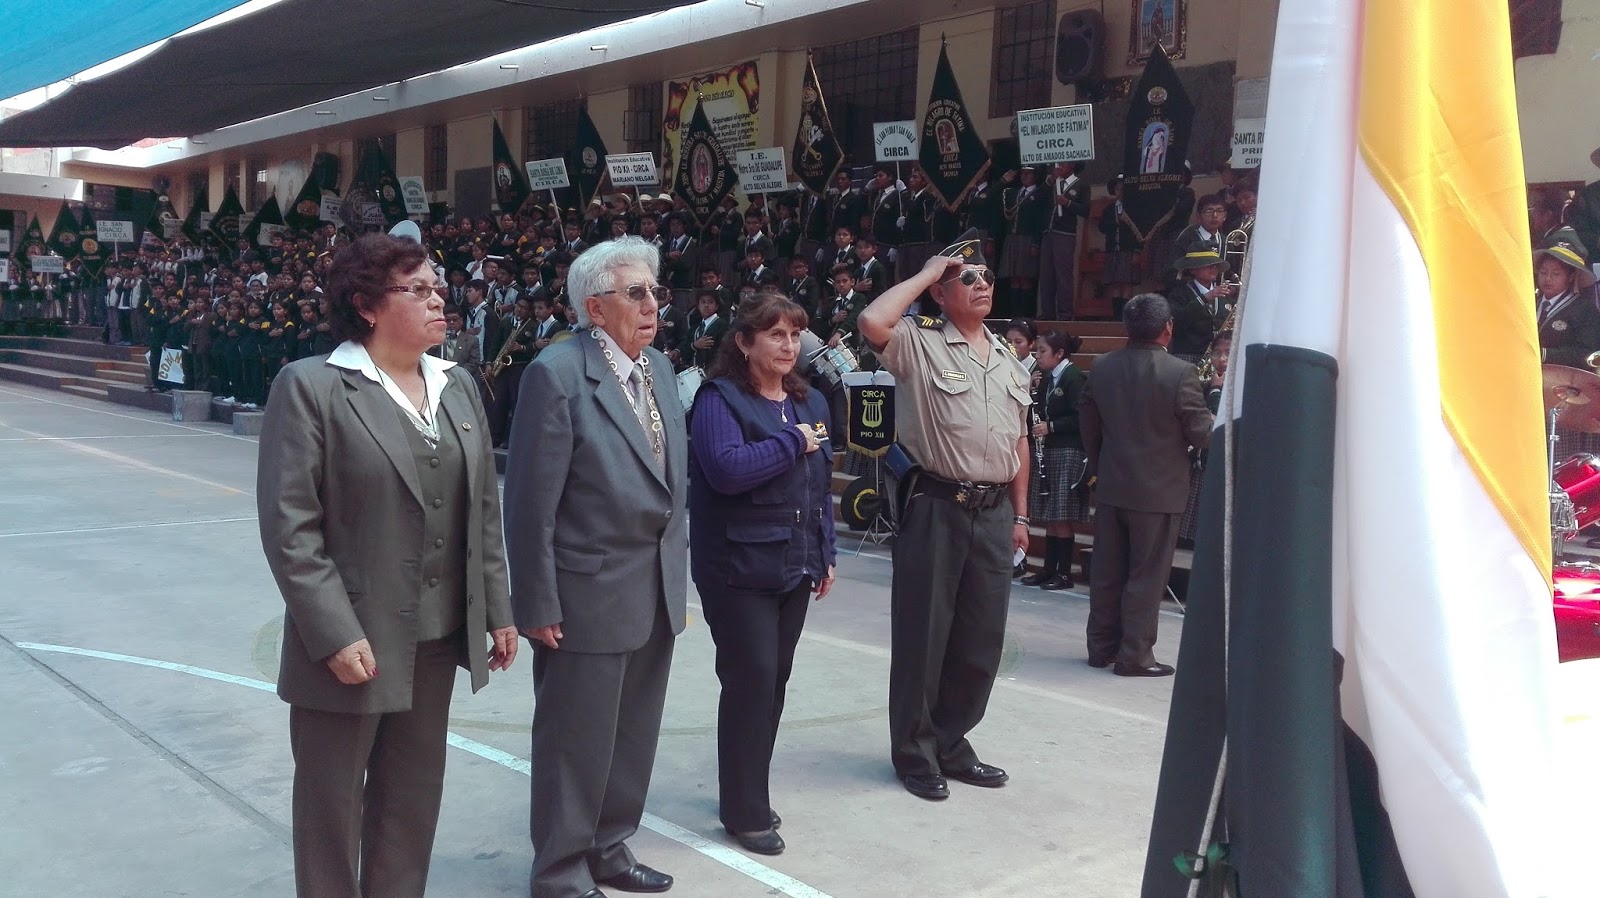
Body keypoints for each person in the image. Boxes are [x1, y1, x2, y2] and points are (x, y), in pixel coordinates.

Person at [256, 233, 518, 898]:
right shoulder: (313, 387)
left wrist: (497, 606)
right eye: (419, 289)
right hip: (353, 639)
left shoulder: (457, 385)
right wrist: (333, 631)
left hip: (434, 635)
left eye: (438, 286)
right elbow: (291, 526)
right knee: (332, 808)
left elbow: (482, 506)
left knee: (411, 800)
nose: (440, 299)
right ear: (367, 305)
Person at [504, 236, 688, 898]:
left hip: (653, 586)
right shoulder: (555, 373)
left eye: (655, 292)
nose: (651, 305)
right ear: (595, 306)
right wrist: (536, 600)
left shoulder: (661, 368)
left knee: (631, 735)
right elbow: (530, 501)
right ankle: (558, 870)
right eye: (635, 293)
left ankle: (609, 846)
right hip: (584, 590)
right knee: (574, 742)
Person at [857, 229, 1032, 801]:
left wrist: (1021, 516)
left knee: (980, 641)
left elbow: (1020, 444)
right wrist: (930, 271)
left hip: (994, 512)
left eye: (986, 277)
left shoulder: (1009, 356)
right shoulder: (920, 342)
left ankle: (953, 744)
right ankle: (914, 751)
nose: (982, 285)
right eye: (968, 278)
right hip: (936, 504)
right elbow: (872, 321)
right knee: (924, 637)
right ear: (941, 293)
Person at [688, 292, 837, 856]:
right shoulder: (718, 400)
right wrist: (791, 442)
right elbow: (726, 471)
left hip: (795, 561)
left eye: (795, 335)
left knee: (773, 681)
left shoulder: (811, 401)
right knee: (751, 681)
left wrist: (825, 553)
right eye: (775, 335)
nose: (788, 345)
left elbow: (820, 490)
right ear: (744, 342)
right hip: (736, 566)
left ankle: (748, 789)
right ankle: (744, 809)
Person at [1078, 293, 1213, 677]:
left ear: (1127, 327)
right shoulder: (1179, 373)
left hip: (1113, 482)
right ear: (1168, 328)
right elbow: (1201, 434)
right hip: (1158, 490)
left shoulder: (1102, 366)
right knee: (1146, 576)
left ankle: (1100, 647)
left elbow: (1088, 419)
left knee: (1106, 571)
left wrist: (1102, 458)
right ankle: (1134, 655)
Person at [1023, 330, 1089, 590]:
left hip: (1069, 450)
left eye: (1042, 351)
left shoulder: (1074, 378)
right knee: (1050, 513)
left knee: (1061, 514)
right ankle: (1048, 569)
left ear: (1059, 353)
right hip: (1050, 450)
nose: (1037, 356)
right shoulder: (1049, 377)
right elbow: (1040, 408)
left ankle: (1063, 573)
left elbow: (1080, 416)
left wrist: (1051, 426)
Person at [1535, 238, 1600, 368]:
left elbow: (1587, 353)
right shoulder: (1531, 302)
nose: (1548, 278)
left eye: (1556, 274)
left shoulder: (1585, 310)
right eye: (1543, 272)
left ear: (1570, 277)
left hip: (1564, 379)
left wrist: (1545, 355)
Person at [1039, 162, 1090, 321]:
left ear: (1072, 165)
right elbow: (1037, 198)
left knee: (1063, 275)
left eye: (1063, 163)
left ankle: (1065, 314)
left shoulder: (1081, 185)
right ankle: (1048, 313)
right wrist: (1050, 181)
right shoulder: (1054, 183)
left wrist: (1067, 203)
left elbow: (1085, 210)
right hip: (1048, 233)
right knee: (1046, 275)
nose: (1059, 166)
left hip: (1065, 234)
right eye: (1057, 163)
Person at [1165, 247, 1233, 363]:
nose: (1213, 268)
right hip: (1188, 355)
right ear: (1193, 270)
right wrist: (1204, 298)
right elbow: (1175, 323)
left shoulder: (1224, 294)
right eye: (1208, 265)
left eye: (1216, 265)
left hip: (1218, 357)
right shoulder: (1179, 294)